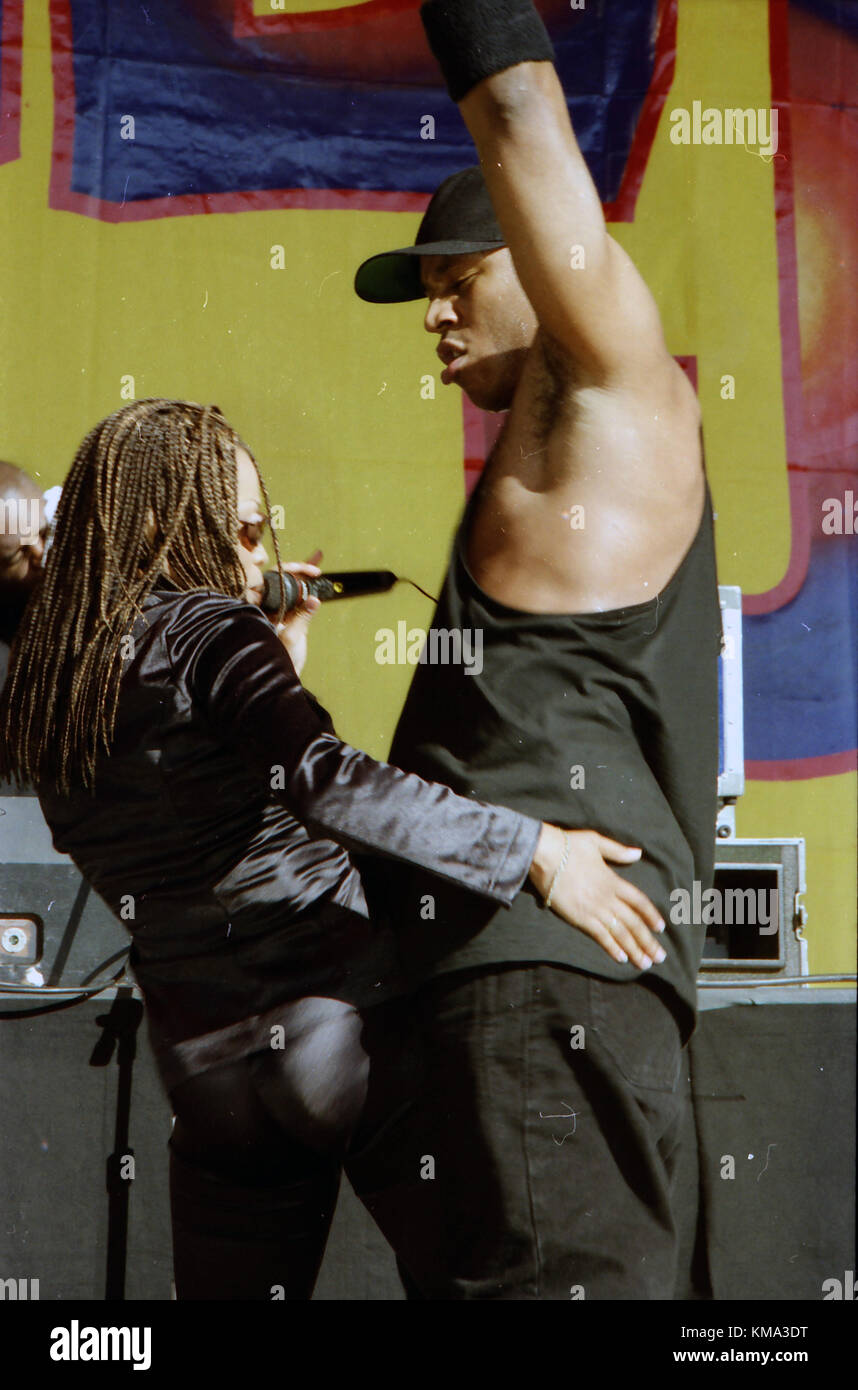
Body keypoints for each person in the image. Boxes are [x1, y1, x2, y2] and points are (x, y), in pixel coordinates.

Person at [0, 397, 666, 1300]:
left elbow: (182, 782)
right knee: (489, 1284)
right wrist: (533, 849)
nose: (259, 557)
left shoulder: (47, 682)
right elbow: (325, 780)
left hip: (204, 1074)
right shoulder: (208, 631)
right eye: (240, 527)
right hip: (336, 1026)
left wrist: (277, 674)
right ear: (168, 520)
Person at [350, 0, 722, 1298]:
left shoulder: (607, 387)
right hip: (484, 1003)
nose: (437, 318)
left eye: (461, 281)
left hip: (545, 995)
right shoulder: (527, 469)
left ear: (537, 254)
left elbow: (519, 114)